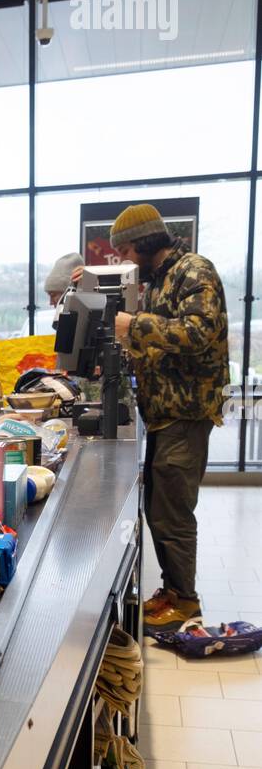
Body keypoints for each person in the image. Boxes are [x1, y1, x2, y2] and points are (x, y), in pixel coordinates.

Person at [108, 204, 229, 632]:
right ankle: (173, 591)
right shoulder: (160, 279)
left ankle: (186, 601)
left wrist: (134, 326)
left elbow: (198, 332)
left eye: (125, 250)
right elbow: (161, 340)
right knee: (159, 509)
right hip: (162, 412)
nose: (125, 259)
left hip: (186, 411)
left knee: (173, 512)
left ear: (144, 242)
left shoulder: (194, 270)